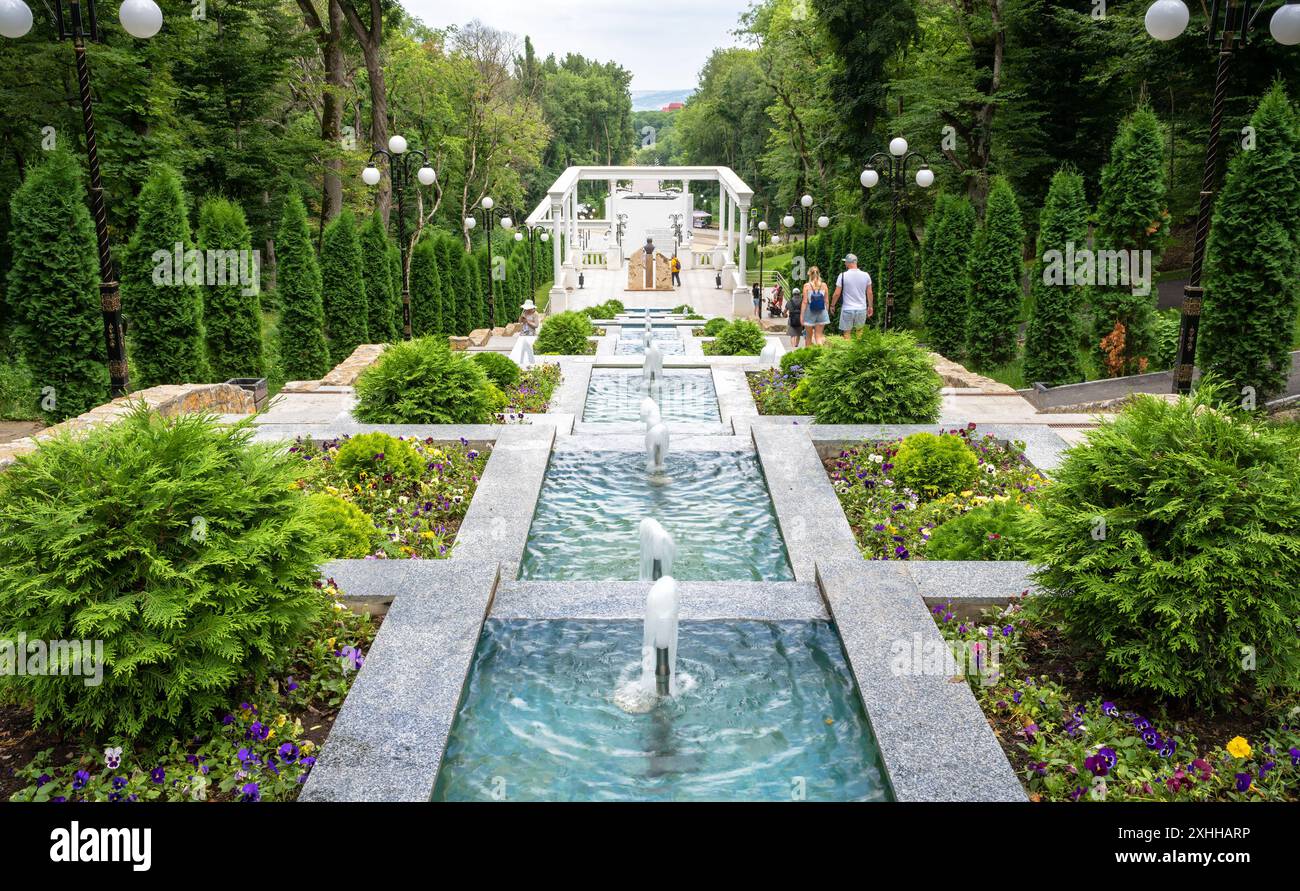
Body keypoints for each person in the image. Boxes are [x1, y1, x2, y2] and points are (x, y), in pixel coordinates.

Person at [831, 252, 873, 335]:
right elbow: (870, 293)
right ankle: (858, 348)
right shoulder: (866, 275)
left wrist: (832, 305)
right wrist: (870, 306)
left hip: (847, 308)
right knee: (859, 333)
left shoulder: (842, 275)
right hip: (861, 308)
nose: (845, 264)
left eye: (845, 262)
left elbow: (837, 293)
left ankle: (848, 348)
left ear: (847, 263)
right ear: (856, 262)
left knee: (846, 334)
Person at [801, 266, 831, 345]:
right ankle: (820, 355)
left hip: (810, 312)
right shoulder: (824, 285)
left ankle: (808, 356)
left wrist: (801, 316)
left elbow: (804, 302)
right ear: (819, 274)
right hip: (822, 311)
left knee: (808, 337)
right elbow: (826, 301)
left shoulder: (806, 286)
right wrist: (826, 312)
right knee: (818, 336)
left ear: (809, 274)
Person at [785, 283, 804, 348]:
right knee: (798, 334)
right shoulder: (802, 301)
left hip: (791, 320)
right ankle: (796, 345)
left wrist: (785, 314)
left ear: (793, 294)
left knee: (792, 335)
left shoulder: (789, 301)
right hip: (800, 319)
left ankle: (793, 347)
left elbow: (785, 311)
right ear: (799, 293)